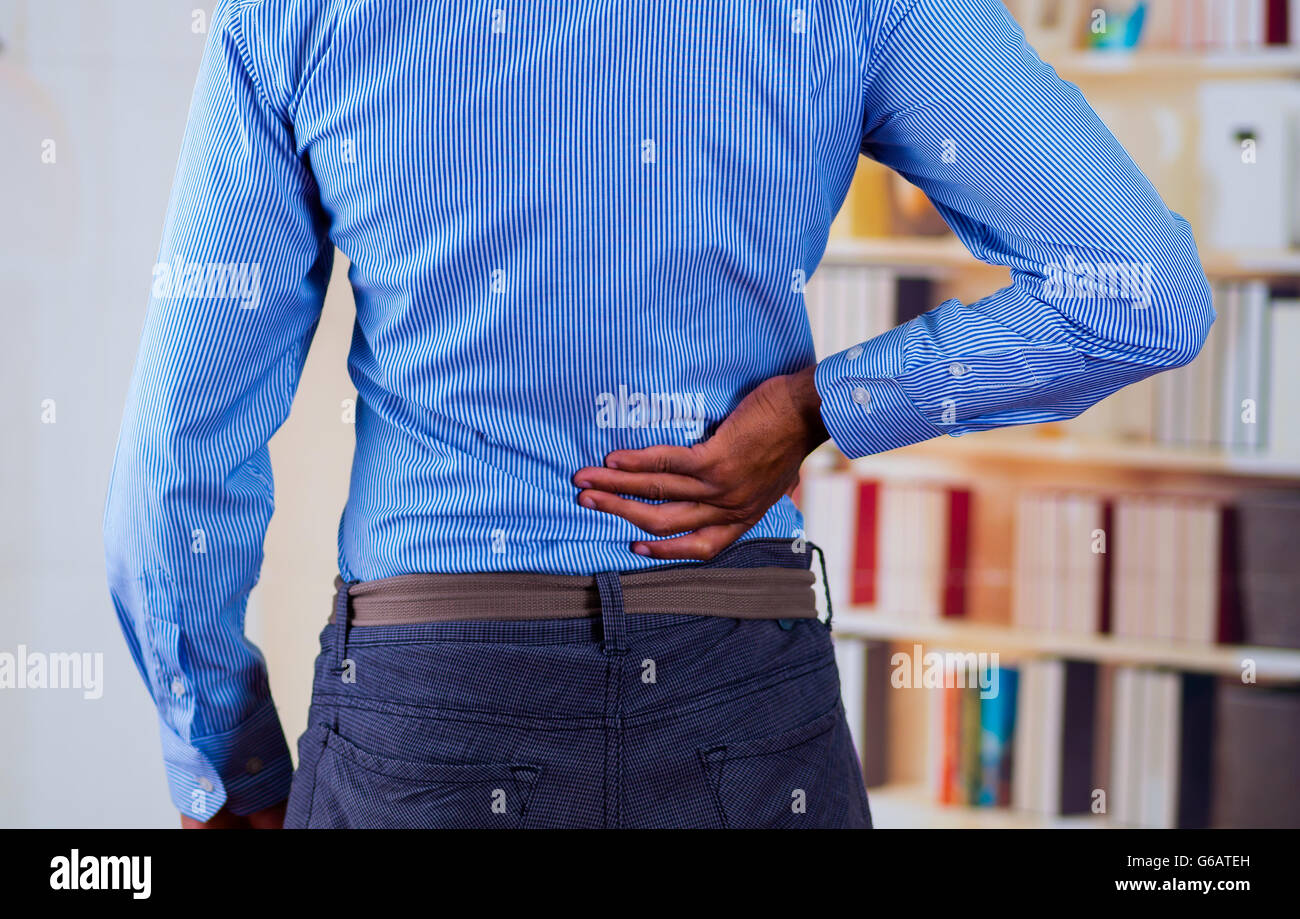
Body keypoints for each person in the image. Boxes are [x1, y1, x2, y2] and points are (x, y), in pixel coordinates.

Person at [104, 0, 1213, 829]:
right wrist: (820, 405)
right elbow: (1141, 288)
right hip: (741, 691)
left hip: (432, 699)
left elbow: (178, 455)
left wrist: (226, 763)